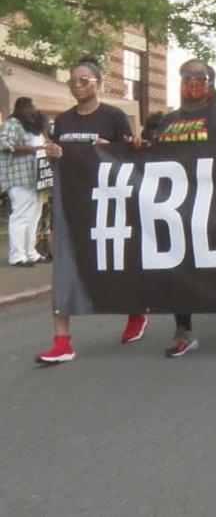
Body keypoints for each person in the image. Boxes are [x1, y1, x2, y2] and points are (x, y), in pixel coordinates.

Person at [34, 59, 147, 363]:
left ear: (99, 83)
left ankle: (136, 312)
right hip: (72, 202)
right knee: (65, 268)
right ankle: (62, 341)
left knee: (117, 262)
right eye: (72, 81)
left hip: (109, 203)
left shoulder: (113, 116)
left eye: (84, 80)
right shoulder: (64, 121)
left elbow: (132, 156)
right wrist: (52, 154)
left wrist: (111, 147)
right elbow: (55, 159)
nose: (77, 86)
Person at [156, 58, 216, 357]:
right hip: (177, 204)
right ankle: (183, 328)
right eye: (186, 76)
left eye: (199, 77)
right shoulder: (167, 121)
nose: (192, 82)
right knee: (177, 263)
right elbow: (153, 157)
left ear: (210, 83)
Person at [1, 97, 46, 268]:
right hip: (20, 178)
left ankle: (30, 252)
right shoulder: (12, 123)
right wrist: (34, 149)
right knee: (21, 216)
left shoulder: (31, 128)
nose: (35, 110)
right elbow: (5, 143)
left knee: (34, 216)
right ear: (24, 108)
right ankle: (17, 256)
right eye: (33, 106)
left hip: (36, 179)